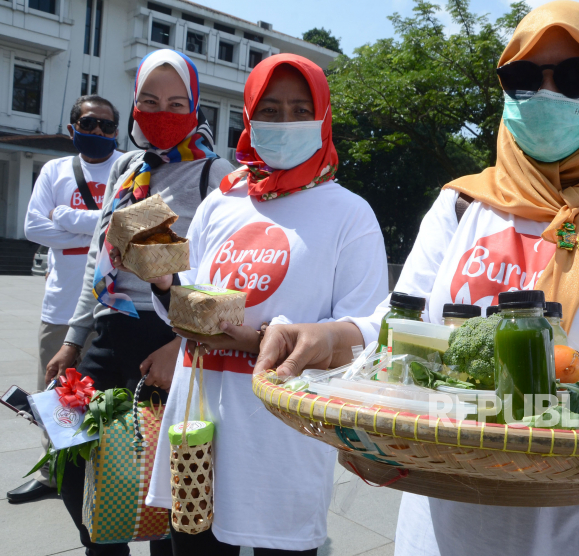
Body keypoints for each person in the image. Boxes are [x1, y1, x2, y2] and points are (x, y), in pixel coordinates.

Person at [254, 2, 579, 555]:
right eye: (524, 77)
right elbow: (403, 321)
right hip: (441, 529)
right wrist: (333, 336)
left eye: (574, 75)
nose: (546, 94)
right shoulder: (462, 204)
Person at [139, 53, 388, 555]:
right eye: (270, 110)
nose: (285, 122)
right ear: (249, 117)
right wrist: (164, 282)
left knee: (282, 546)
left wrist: (262, 341)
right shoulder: (222, 202)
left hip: (280, 437)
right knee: (194, 546)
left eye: (301, 109)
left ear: (323, 118)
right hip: (198, 424)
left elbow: (369, 330)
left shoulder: (349, 213)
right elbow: (190, 300)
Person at [46, 49, 234, 555]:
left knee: (166, 487)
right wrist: (73, 339)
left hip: (170, 340)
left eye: (177, 103)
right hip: (112, 332)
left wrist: (181, 344)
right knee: (85, 471)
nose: (162, 114)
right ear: (134, 107)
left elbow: (220, 276)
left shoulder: (215, 176)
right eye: (149, 101)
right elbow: (96, 254)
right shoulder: (128, 167)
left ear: (196, 107)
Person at [12, 95, 122, 504]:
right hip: (60, 305)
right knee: (55, 393)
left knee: (108, 394)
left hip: (112, 303)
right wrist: (99, 229)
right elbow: (32, 227)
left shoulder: (127, 167)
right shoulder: (55, 170)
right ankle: (52, 473)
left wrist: (69, 218)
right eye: (90, 124)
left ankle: (106, 473)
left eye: (108, 127)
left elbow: (129, 223)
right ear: (74, 125)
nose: (98, 133)